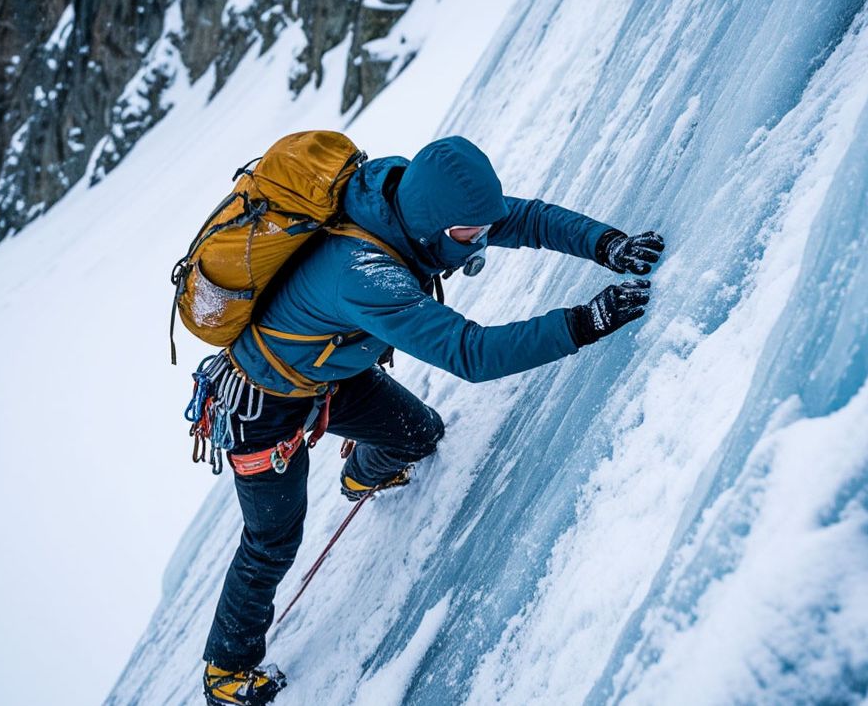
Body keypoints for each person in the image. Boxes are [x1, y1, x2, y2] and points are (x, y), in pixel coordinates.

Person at [201, 136, 664, 705]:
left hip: (326, 369)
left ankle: (362, 475)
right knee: (272, 539)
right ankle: (226, 670)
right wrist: (583, 322)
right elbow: (471, 354)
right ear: (434, 229)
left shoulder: (402, 197)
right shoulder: (368, 272)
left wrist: (607, 244)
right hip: (261, 403)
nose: (482, 242)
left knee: (418, 434)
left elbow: (517, 218)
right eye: (469, 235)